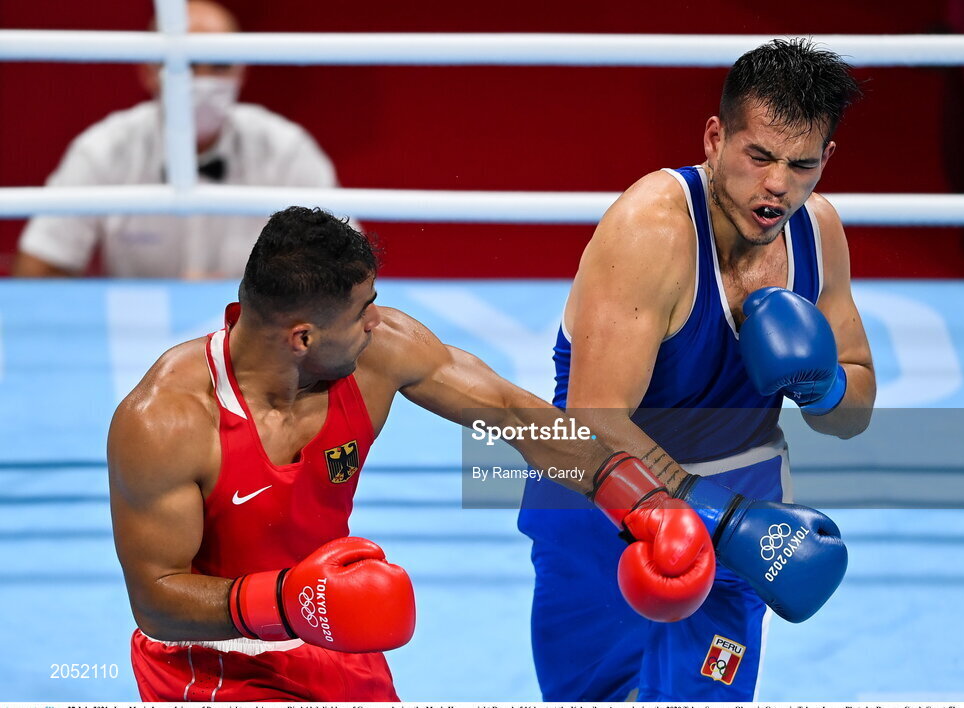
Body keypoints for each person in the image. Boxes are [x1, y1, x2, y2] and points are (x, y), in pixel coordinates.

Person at [108, 206, 726, 701]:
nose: (377, 322)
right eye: (361, 312)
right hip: (212, 662)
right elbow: (157, 600)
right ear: (303, 337)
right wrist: (288, 603)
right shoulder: (166, 422)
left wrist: (638, 498)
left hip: (334, 635)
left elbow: (514, 414)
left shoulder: (378, 352)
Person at [518, 38, 876, 701]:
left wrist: (823, 387)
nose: (777, 185)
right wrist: (724, 517)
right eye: (759, 155)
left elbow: (855, 409)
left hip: (738, 509)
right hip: (605, 507)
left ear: (826, 161)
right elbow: (595, 422)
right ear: (716, 138)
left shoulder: (817, 232)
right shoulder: (652, 230)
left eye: (801, 165)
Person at [14, 1, 341, 279]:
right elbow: (37, 271)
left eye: (219, 64)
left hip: (263, 342)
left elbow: (344, 271)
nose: (202, 81)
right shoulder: (103, 149)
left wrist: (263, 307)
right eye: (184, 65)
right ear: (146, 71)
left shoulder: (287, 150)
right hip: (140, 340)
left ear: (242, 70)